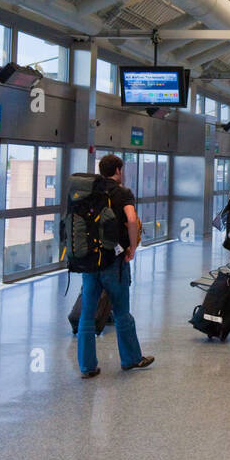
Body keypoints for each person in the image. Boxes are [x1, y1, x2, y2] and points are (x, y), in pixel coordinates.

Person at [78, 154, 153, 378]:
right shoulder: (122, 193)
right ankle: (131, 359)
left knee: (87, 314)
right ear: (118, 170)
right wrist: (132, 247)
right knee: (121, 312)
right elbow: (131, 219)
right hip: (113, 260)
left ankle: (87, 367)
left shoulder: (89, 191)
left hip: (90, 261)